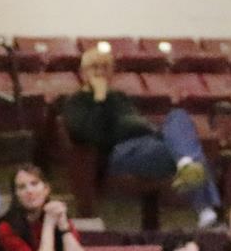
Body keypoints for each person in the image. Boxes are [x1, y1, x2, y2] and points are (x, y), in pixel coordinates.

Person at [60, 47, 218, 228]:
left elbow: (138, 124)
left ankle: (185, 163)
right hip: (121, 154)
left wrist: (158, 133)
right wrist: (99, 98)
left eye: (105, 67)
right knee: (189, 149)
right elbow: (88, 134)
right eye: (94, 67)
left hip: (150, 146)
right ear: (82, 73)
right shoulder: (76, 102)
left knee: (178, 116)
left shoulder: (119, 97)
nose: (100, 72)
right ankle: (203, 204)